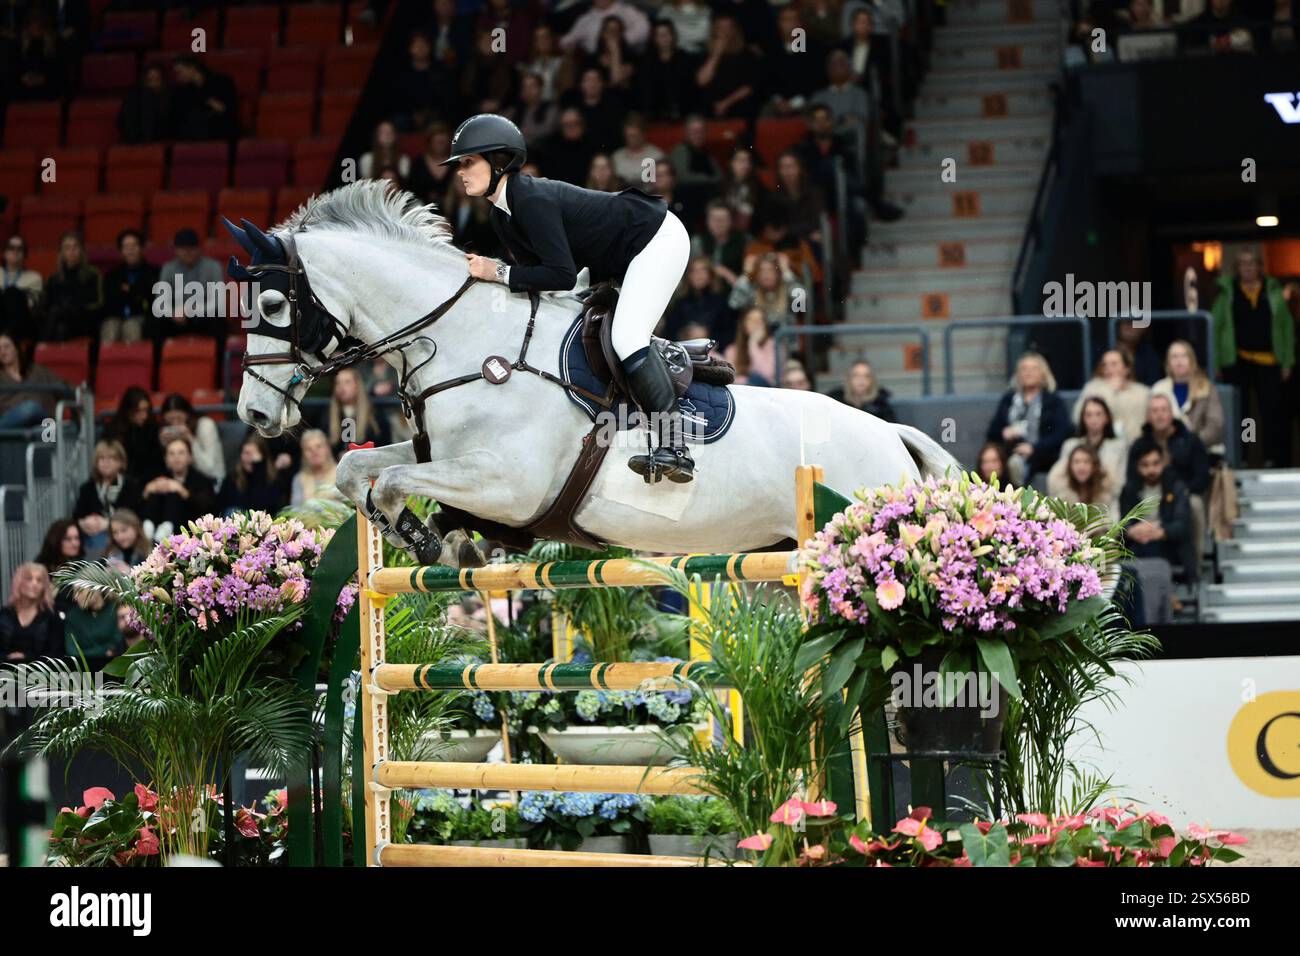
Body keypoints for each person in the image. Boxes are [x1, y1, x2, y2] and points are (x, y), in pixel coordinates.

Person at [445, 113, 696, 482]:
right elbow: (539, 282)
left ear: (498, 163)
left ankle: (676, 447)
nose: (460, 172)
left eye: (468, 162)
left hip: (656, 238)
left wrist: (496, 272)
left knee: (627, 338)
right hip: (615, 259)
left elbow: (560, 276)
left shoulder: (529, 199)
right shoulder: (502, 214)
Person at [1211, 248, 1295, 466]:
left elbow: (1287, 328)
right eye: (1242, 264)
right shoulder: (1227, 295)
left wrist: (1287, 362)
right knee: (1243, 414)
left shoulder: (1273, 292)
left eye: (1251, 263)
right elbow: (1215, 328)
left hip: (1269, 362)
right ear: (1236, 269)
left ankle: (1272, 458)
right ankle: (1244, 458)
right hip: (1238, 361)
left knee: (1272, 412)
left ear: (1260, 266)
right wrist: (1218, 362)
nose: (1247, 268)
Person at [985, 352, 1071, 485]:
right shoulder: (1008, 400)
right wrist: (1005, 432)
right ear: (1018, 374)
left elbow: (1061, 433)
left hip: (1043, 454)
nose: (1028, 372)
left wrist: (1034, 448)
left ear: (1043, 374)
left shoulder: (1053, 401)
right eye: (1024, 369)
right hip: (1009, 451)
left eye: (1033, 369)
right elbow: (992, 431)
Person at [1121, 437, 1196, 581]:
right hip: (1138, 543)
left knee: (1155, 549)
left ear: (1163, 462)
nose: (1151, 470)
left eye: (1156, 463)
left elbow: (1182, 525)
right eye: (1145, 465)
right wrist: (1132, 531)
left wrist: (1159, 531)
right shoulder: (1129, 489)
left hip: (1169, 544)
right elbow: (1124, 523)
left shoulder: (1176, 486)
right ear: (1137, 466)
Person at [1151, 339, 1225, 455]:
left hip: (1202, 451)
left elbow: (1216, 426)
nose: (1179, 361)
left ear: (1192, 360)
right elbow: (1152, 423)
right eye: (1174, 357)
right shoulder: (1158, 389)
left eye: (1184, 356)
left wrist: (1190, 444)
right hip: (1166, 453)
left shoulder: (1207, 388)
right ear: (1168, 363)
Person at [1047, 396, 1129, 498]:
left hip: (1106, 504)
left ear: (1107, 417)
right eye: (1088, 415)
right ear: (1082, 418)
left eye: (1098, 414)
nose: (1093, 419)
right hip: (1073, 504)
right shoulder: (1070, 445)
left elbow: (1118, 484)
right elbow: (1055, 480)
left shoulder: (1118, 447)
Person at [73, 439, 144, 554]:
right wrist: (85, 523)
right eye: (102, 459)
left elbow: (136, 516)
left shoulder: (131, 486)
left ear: (121, 462)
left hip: (124, 535)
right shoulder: (87, 488)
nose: (106, 463)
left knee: (102, 541)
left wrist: (108, 523)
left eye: (111, 458)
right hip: (92, 534)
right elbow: (77, 516)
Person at [140, 437, 216, 541]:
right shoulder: (159, 477)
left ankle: (166, 528)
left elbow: (206, 506)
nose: (176, 458)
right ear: (166, 459)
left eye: (181, 453)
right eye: (171, 454)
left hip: (189, 530)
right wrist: (147, 491)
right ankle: (148, 528)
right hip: (156, 529)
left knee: (174, 494)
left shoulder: (202, 480)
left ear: (190, 457)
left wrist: (182, 491)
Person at [155, 228, 223, 340]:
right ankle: (158, 357)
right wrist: (173, 313)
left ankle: (219, 357)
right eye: (183, 249)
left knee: (219, 320)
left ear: (199, 249)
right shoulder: (168, 268)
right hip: (178, 317)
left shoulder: (213, 267)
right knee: (157, 322)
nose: (188, 252)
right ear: (176, 250)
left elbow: (218, 301)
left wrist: (193, 310)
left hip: (204, 316)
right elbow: (160, 302)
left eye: (191, 248)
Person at [1072, 348, 1151, 441]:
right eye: (1104, 365)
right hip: (1102, 445)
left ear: (1127, 369)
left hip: (1136, 446)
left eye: (1114, 364)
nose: (1108, 368)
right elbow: (1077, 417)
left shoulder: (1142, 392)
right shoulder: (1092, 388)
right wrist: (1111, 391)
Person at [695, 13, 760, 120]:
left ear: (735, 30)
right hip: (710, 107)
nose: (724, 32)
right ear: (714, 30)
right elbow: (701, 81)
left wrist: (725, 103)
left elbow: (749, 87)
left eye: (728, 27)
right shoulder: (704, 54)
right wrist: (716, 54)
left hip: (738, 105)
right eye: (720, 28)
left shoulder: (747, 54)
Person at [101, 228, 157, 345]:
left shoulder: (153, 273)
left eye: (134, 246)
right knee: (110, 326)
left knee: (131, 326)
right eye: (126, 247)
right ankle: (107, 362)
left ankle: (133, 362)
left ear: (141, 248)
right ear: (121, 251)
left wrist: (130, 290)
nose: (130, 250)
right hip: (116, 317)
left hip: (142, 318)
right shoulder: (112, 275)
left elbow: (151, 299)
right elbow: (110, 301)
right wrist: (136, 292)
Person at [44, 231, 102, 341]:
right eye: (67, 248)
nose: (72, 251)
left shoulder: (92, 274)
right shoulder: (54, 279)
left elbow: (99, 304)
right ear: (62, 253)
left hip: (84, 320)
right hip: (60, 321)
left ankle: (42, 346)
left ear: (81, 250)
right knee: (61, 328)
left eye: (75, 247)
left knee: (58, 317)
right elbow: (48, 306)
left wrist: (76, 308)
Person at [637, 19, 699, 121]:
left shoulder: (685, 58)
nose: (663, 38)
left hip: (684, 113)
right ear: (654, 39)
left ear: (673, 36)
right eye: (659, 35)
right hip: (654, 115)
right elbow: (644, 93)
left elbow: (691, 90)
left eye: (666, 34)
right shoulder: (646, 61)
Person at [0, 563, 63, 663]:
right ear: (19, 583)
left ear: (44, 587)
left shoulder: (51, 616)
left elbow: (56, 654)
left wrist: (26, 658)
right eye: (29, 579)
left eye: (39, 580)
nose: (34, 584)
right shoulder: (5, 614)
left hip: (39, 675)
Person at [664, 256, 735, 345]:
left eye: (703, 271)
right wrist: (685, 334)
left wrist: (707, 334)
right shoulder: (679, 303)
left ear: (710, 275)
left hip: (713, 352)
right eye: (694, 271)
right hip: (683, 350)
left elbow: (730, 334)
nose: (698, 275)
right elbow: (668, 334)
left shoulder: (721, 302)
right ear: (688, 276)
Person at [0, 330, 62, 428]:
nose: (2, 352)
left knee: (31, 408)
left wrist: (81, 394)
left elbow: (63, 387)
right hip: (13, 429)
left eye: (6, 347)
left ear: (16, 348)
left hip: (43, 424)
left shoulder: (38, 371)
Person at [728, 251, 807, 327]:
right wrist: (746, 274)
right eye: (761, 271)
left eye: (770, 270)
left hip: (785, 339)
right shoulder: (753, 292)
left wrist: (787, 272)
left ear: (779, 273)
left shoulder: (788, 291)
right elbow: (734, 304)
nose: (766, 274)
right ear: (757, 275)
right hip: (759, 339)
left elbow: (801, 301)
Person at [216, 434, 289, 517]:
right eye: (246, 453)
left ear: (263, 456)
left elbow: (264, 507)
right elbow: (220, 508)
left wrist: (258, 468)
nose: (249, 458)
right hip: (237, 527)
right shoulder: (232, 479)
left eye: (252, 454)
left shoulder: (274, 480)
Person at [169, 54, 237, 141]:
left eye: (179, 72)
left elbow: (227, 110)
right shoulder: (181, 92)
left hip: (221, 130)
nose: (177, 77)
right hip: (194, 134)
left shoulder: (222, 81)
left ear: (192, 68)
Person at [158, 393, 224, 483]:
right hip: (180, 483)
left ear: (188, 414)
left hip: (212, 481)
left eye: (179, 419)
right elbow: (168, 470)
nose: (175, 424)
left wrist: (190, 439)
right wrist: (164, 445)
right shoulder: (164, 432)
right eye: (170, 420)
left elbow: (209, 468)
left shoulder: (205, 425)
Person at [325, 368, 390, 457]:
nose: (341, 387)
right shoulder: (326, 417)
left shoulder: (375, 417)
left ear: (357, 386)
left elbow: (385, 449)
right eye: (338, 383)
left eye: (347, 382)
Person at [103, 386, 163, 482]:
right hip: (120, 482)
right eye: (138, 411)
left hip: (149, 482)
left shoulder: (152, 429)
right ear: (128, 410)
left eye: (146, 410)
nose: (144, 415)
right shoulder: (113, 431)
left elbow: (157, 464)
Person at [1051, 445, 1120, 521]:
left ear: (1094, 465)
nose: (1081, 467)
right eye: (1076, 462)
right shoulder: (1061, 493)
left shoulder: (1106, 490)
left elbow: (1112, 521)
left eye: (1086, 462)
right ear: (1070, 466)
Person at [688, 200, 746, 287]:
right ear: (707, 220)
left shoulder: (742, 241)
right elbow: (693, 270)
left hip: (732, 290)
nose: (718, 223)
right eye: (714, 219)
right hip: (703, 290)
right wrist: (719, 271)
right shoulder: (698, 241)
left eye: (722, 219)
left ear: (731, 221)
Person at [561, 0, 650, 55]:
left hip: (624, 56)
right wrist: (571, 43)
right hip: (594, 62)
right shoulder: (585, 19)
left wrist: (620, 41)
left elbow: (644, 28)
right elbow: (567, 40)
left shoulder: (626, 11)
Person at [723, 307, 776, 386]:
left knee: (756, 378)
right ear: (743, 325)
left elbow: (766, 375)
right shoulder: (732, 350)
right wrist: (746, 381)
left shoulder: (773, 344)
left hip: (767, 392)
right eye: (751, 320)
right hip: (741, 393)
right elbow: (730, 379)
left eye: (760, 319)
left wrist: (753, 344)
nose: (756, 323)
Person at [118, 61, 169, 143]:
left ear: (163, 81)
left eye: (157, 79)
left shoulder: (168, 99)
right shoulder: (133, 98)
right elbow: (123, 122)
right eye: (150, 79)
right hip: (133, 143)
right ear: (144, 80)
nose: (153, 84)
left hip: (159, 142)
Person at [827, 359, 895, 421]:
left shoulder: (882, 402)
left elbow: (892, 428)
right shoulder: (836, 400)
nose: (861, 379)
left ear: (872, 380)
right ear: (848, 378)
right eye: (856, 375)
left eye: (866, 376)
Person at [611, 113, 666, 188]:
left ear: (643, 134)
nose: (631, 140)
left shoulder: (656, 156)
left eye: (634, 136)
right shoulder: (617, 157)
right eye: (629, 136)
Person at [2, 235, 44, 325]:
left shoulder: (34, 277)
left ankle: (7, 335)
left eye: (19, 249)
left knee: (12, 292)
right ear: (4, 253)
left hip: (21, 322)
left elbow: (31, 306)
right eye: (11, 248)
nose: (15, 251)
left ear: (25, 255)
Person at [291, 429, 340, 506]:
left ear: (327, 449)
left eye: (318, 446)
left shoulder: (341, 474)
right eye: (308, 449)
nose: (314, 452)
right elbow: (295, 511)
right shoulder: (299, 479)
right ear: (304, 455)